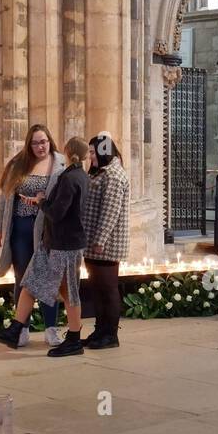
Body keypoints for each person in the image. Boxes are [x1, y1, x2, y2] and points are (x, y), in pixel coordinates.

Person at [0, 137, 90, 355]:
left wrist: (42, 201)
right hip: (54, 243)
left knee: (68, 291)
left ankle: (73, 338)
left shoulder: (71, 178)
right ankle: (16, 329)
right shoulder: (78, 176)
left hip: (64, 245)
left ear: (66, 152)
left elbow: (56, 213)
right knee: (30, 283)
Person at [0, 123, 65, 345]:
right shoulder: (18, 163)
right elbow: (4, 197)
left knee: (46, 276)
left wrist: (43, 200)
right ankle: (21, 328)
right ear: (29, 144)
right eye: (35, 143)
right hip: (20, 228)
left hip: (46, 229)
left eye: (43, 141)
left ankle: (51, 328)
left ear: (50, 141)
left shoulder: (61, 163)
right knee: (22, 277)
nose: (40, 146)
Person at [81, 133, 130, 348]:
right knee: (97, 289)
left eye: (92, 152)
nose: (89, 156)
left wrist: (100, 240)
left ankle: (110, 335)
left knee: (108, 289)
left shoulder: (113, 175)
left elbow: (111, 210)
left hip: (106, 244)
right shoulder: (100, 172)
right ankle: (100, 331)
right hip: (94, 242)